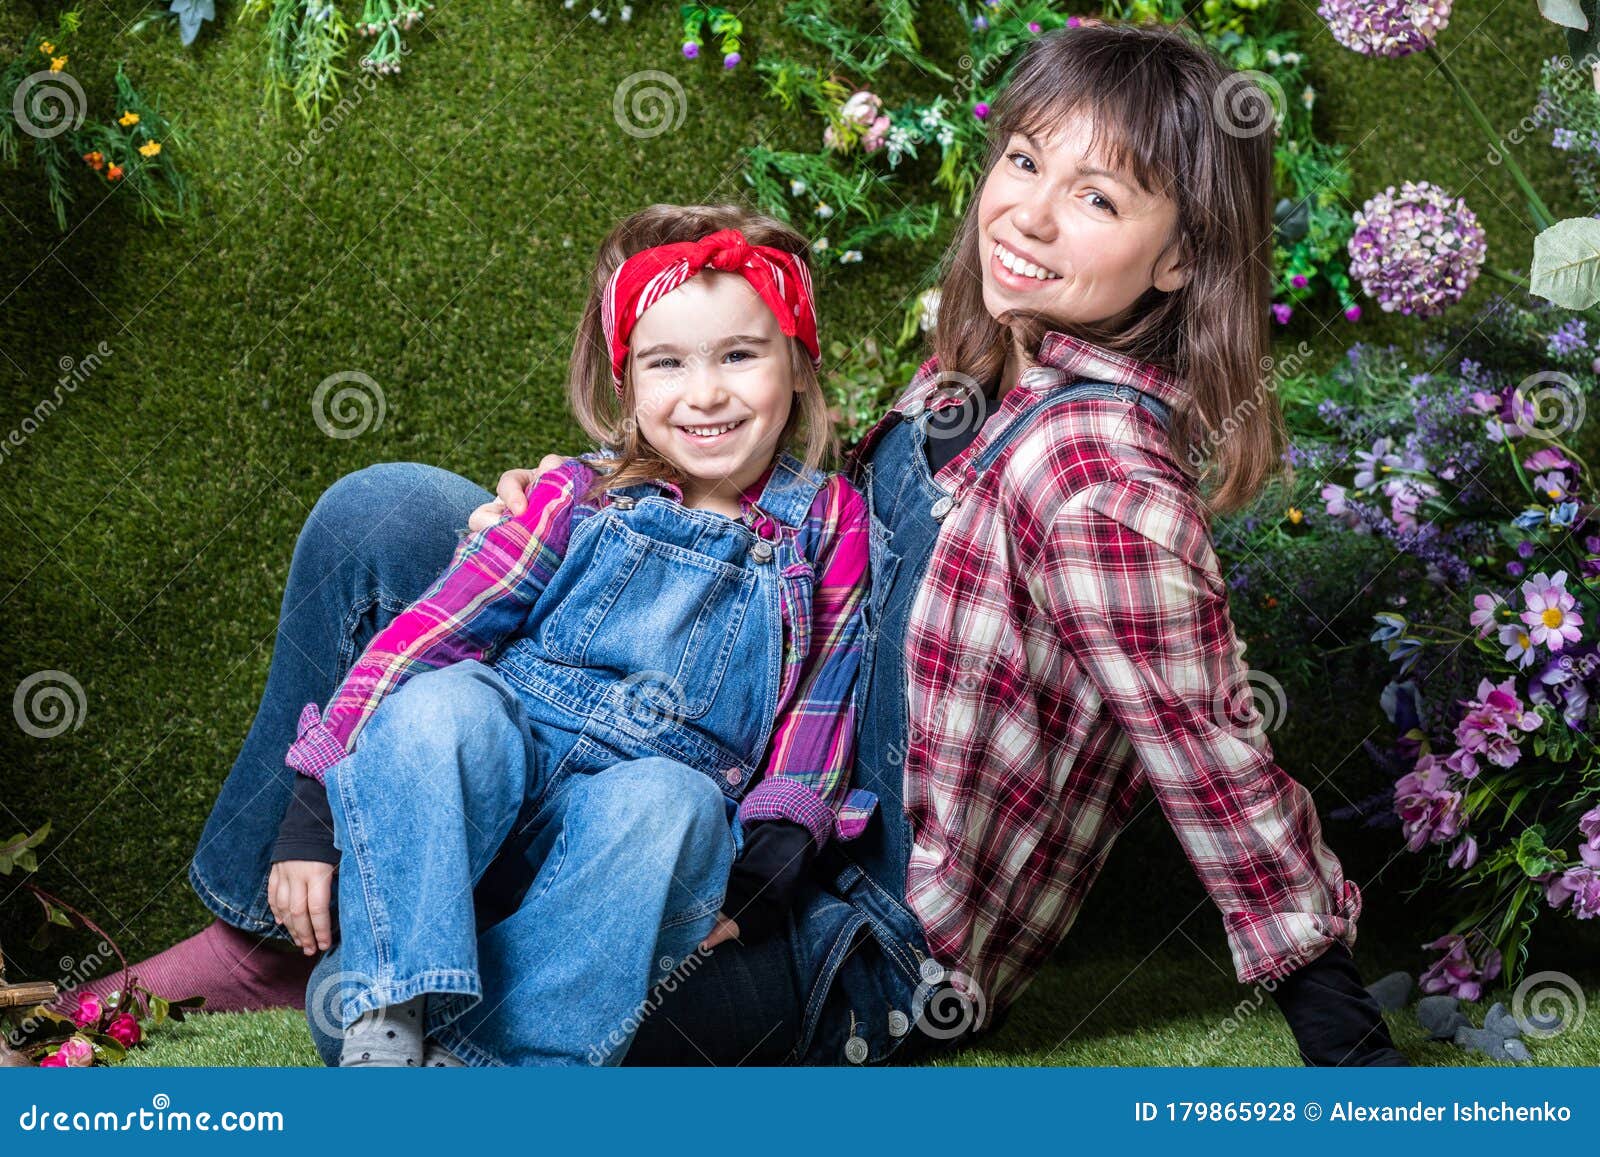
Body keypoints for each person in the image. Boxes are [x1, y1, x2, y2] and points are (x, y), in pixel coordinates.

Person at [75, 23, 1406, 1067]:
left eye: (1100, 198)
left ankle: (372, 974)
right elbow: (799, 540)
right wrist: (593, 505)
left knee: (546, 984)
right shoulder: (977, 377)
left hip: (841, 921)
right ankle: (271, 923)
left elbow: (1209, 745)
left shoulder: (1095, 468)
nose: (1032, 213)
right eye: (1023, 161)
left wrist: (1331, 1005)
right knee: (387, 521)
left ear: (1182, 261)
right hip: (736, 727)